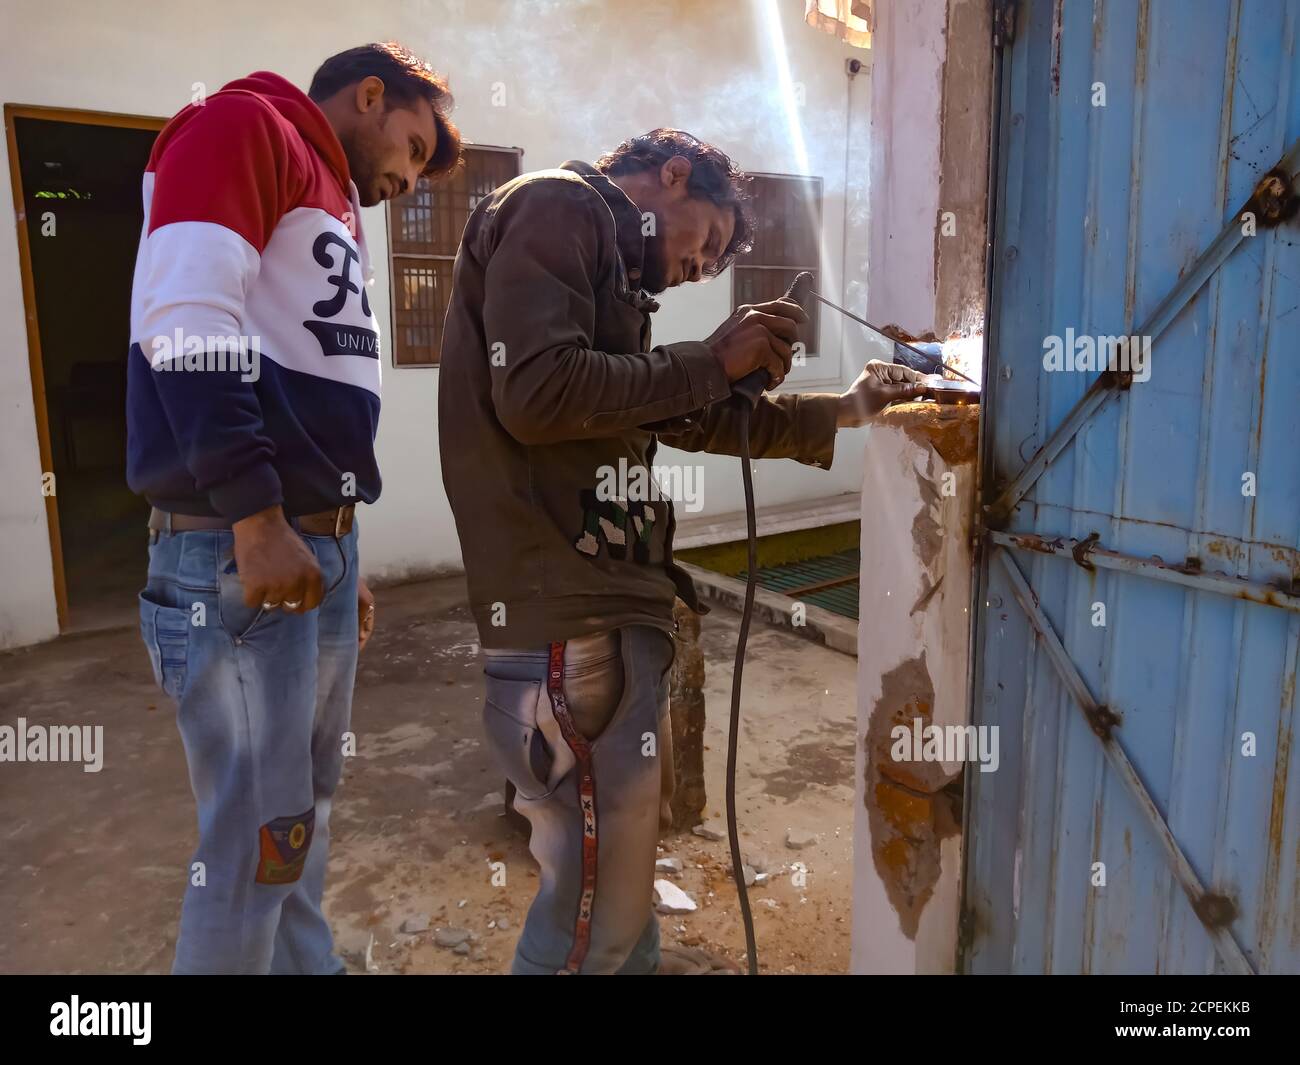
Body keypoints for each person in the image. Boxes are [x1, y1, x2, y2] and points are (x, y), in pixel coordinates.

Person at [438, 128, 924, 974]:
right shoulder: (560, 204)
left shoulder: (611, 273)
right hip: (570, 613)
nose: (705, 269)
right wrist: (710, 359)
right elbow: (537, 390)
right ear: (671, 175)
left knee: (619, 890)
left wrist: (847, 408)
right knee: (590, 909)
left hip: (602, 607)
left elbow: (682, 410)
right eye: (710, 243)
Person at [127, 42, 461, 974]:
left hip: (306, 552)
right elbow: (188, 319)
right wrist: (257, 517)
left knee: (296, 824)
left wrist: (334, 545)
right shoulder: (243, 127)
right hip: (239, 555)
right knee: (251, 844)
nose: (408, 175)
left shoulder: (333, 197)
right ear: (367, 94)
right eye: (411, 144)